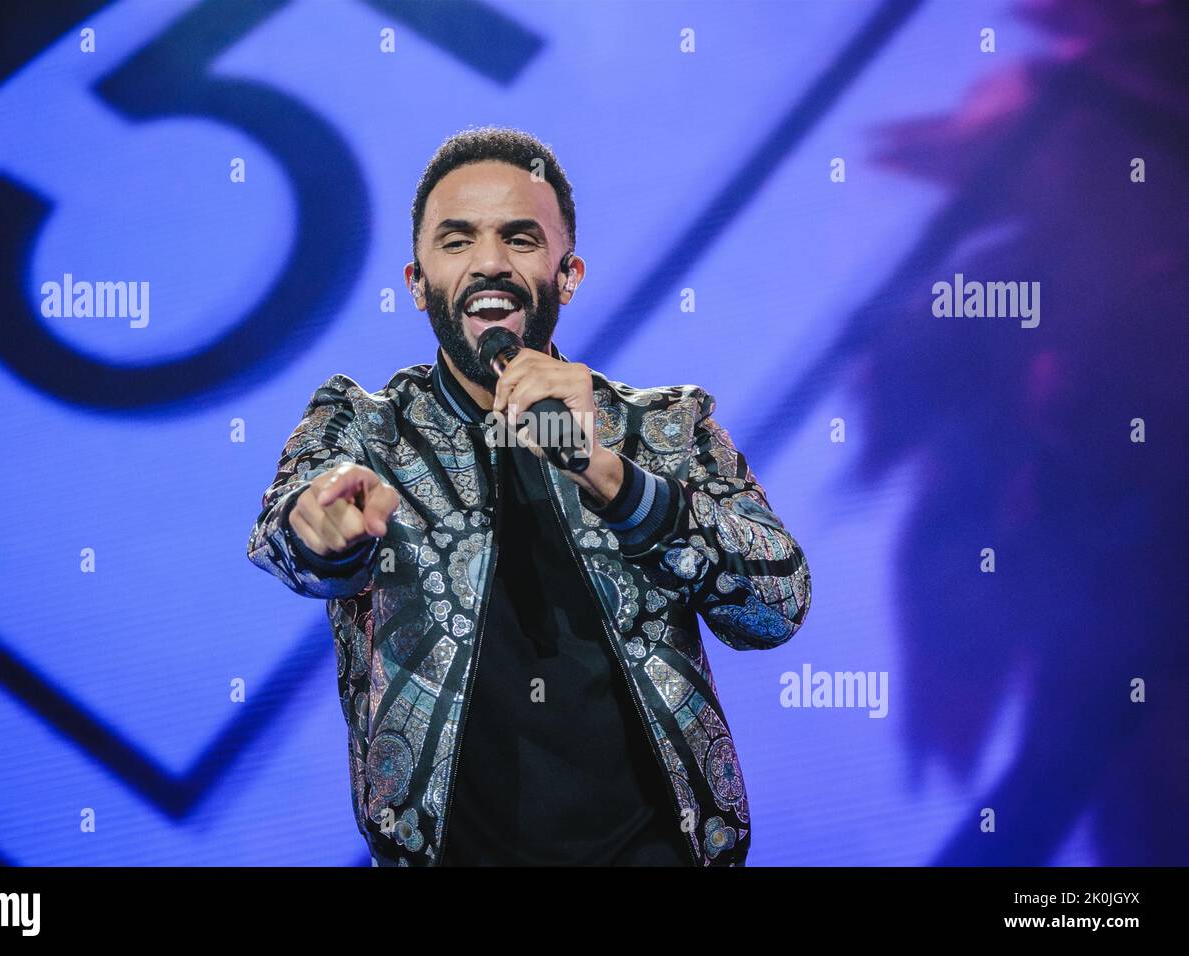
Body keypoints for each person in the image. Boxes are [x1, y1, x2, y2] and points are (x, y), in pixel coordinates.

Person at [247, 126, 812, 866]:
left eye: (520, 238)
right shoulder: (364, 427)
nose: (489, 263)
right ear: (417, 285)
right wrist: (322, 531)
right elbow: (285, 534)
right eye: (456, 242)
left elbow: (776, 607)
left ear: (567, 273)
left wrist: (608, 473)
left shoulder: (667, 427)